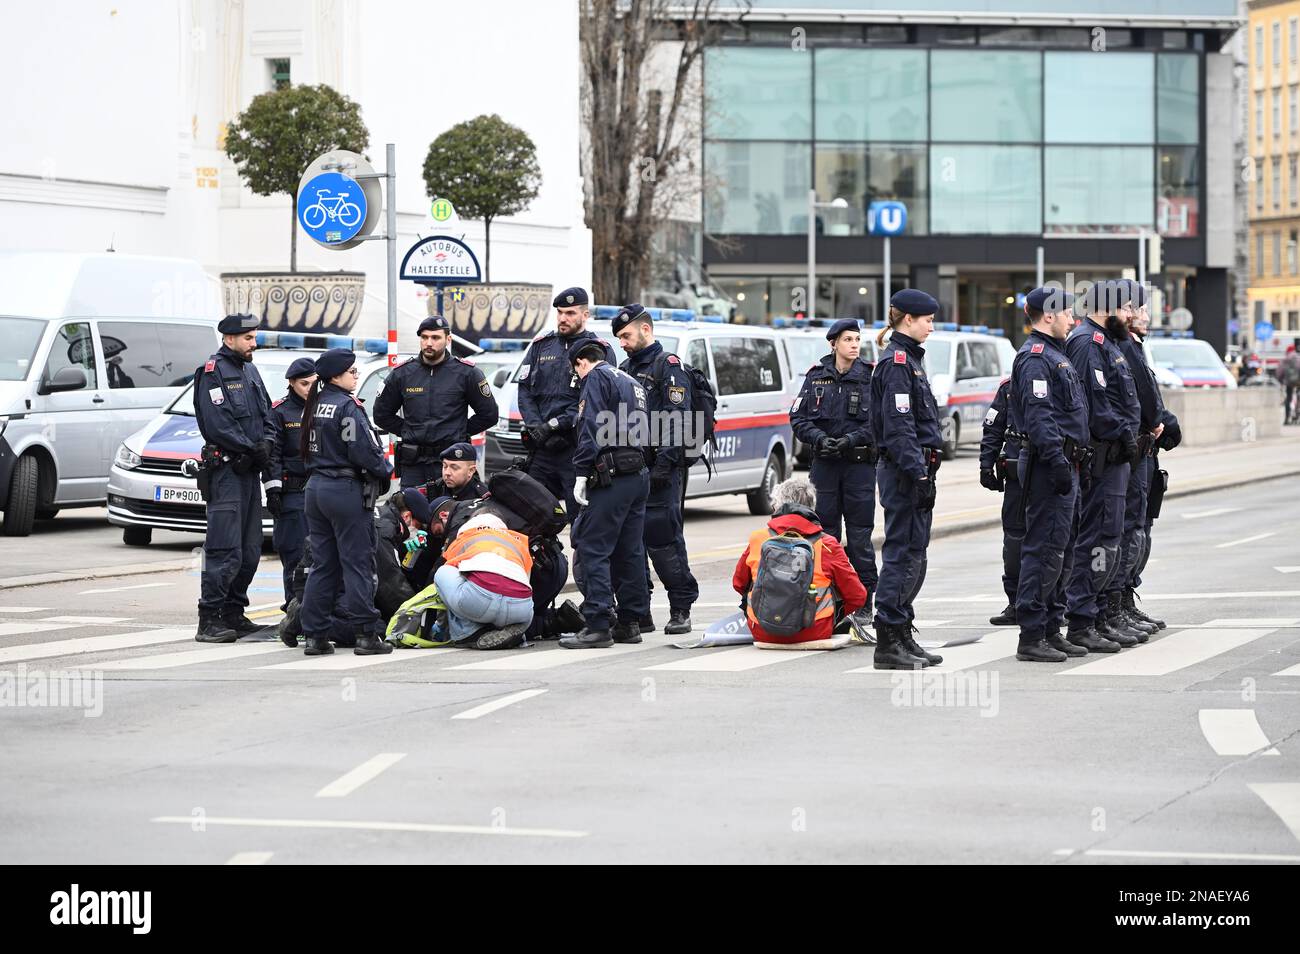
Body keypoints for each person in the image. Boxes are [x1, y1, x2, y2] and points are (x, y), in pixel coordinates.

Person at [1008, 288, 1093, 661]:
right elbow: (1041, 419)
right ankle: (1031, 634)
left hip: (1065, 462)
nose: (1073, 320)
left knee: (1063, 549)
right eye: (1067, 314)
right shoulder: (1035, 359)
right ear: (1048, 317)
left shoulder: (1057, 355)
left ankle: (1051, 627)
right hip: (1048, 464)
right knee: (1043, 550)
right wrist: (1058, 462)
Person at [1064, 280, 1144, 652]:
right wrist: (1122, 433)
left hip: (1117, 456)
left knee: (1110, 539)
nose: (1130, 315)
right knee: (1096, 540)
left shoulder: (1107, 343)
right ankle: (1083, 619)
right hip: (1102, 457)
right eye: (1126, 308)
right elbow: (1092, 405)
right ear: (1106, 309)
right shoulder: (1086, 343)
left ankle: (1098, 615)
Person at [298, 348, 395, 656]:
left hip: (316, 489)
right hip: (345, 490)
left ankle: (314, 635)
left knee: (323, 564)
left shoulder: (315, 405)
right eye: (352, 372)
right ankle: (366, 634)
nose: (355, 376)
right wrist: (386, 470)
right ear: (337, 376)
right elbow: (364, 451)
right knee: (357, 563)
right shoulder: (347, 407)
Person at [869, 289, 945, 669]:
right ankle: (888, 640)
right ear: (908, 320)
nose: (932, 326)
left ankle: (901, 630)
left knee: (915, 553)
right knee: (902, 553)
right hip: (903, 472)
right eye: (927, 320)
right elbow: (899, 428)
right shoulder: (897, 363)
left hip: (913, 469)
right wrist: (917, 472)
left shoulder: (910, 360)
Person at [559, 340, 651, 648]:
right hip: (637, 473)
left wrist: (581, 471)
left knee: (592, 546)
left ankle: (598, 624)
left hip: (610, 474)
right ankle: (631, 622)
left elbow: (592, 424)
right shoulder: (632, 381)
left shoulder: (596, 377)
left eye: (576, 372)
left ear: (582, 363)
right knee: (630, 549)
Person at [614, 303, 698, 636]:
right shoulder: (623, 369)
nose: (622, 342)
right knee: (630, 543)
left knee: (664, 542)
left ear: (645, 329)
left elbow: (678, 419)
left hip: (662, 470)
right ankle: (639, 611)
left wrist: (664, 464)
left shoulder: (669, 367)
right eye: (619, 337)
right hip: (630, 469)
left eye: (626, 335)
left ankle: (681, 608)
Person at [790, 317, 878, 632]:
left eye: (857, 339)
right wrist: (819, 439)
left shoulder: (870, 377)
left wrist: (850, 440)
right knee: (824, 536)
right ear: (834, 344)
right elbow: (798, 418)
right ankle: (827, 599)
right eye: (848, 340)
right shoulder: (815, 378)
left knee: (859, 539)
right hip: (824, 467)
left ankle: (864, 602)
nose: (854, 345)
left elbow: (877, 423)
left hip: (858, 468)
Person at [192, 313, 275, 643]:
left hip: (249, 470)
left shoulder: (250, 371)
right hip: (227, 472)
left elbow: (267, 413)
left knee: (249, 548)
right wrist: (249, 448)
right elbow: (218, 423)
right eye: (248, 339)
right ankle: (209, 617)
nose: (254, 343)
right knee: (224, 548)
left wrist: (266, 444)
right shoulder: (214, 374)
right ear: (229, 339)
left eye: (254, 337)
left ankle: (234, 613)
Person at [517, 287, 618, 520]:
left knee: (581, 519)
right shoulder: (542, 345)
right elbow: (524, 391)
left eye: (570, 313)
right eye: (560, 312)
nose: (563, 318)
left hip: (576, 448)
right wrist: (537, 427)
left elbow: (596, 400)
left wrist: (556, 425)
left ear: (585, 315)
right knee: (529, 515)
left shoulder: (597, 350)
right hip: (542, 448)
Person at [732, 478, 866, 650]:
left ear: (778, 507)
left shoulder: (758, 538)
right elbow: (857, 596)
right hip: (814, 630)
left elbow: (738, 583)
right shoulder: (826, 544)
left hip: (763, 631)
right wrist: (830, 615)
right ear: (812, 507)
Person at [373, 314, 497, 488]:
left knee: (453, 513)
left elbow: (489, 415)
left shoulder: (467, 373)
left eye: (435, 337)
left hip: (452, 462)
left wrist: (458, 432)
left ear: (448, 339)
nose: (429, 343)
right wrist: (410, 431)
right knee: (410, 512)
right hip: (414, 464)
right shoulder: (402, 374)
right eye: (424, 337)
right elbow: (381, 415)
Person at [1118, 287, 1181, 631]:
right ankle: (1115, 606)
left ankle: (1124, 601)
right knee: (1127, 530)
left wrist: (1165, 424)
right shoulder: (1122, 347)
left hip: (1143, 451)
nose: (1144, 316)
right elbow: (1144, 401)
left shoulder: (1134, 347)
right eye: (1137, 308)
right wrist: (1164, 423)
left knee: (1139, 528)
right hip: (1130, 452)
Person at [433, 513, 535, 650]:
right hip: (521, 609)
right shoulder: (519, 543)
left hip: (481, 601)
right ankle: (516, 630)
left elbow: (449, 575)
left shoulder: (464, 539)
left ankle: (469, 633)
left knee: (442, 573)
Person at [266, 356, 316, 610]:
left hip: (320, 491)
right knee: (295, 555)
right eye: (304, 384)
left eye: (314, 383)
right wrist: (273, 490)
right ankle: (294, 609)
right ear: (292, 383)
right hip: (293, 493)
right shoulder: (281, 411)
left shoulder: (326, 407)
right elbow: (272, 454)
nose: (310, 389)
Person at [978, 376, 1023, 627]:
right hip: (1017, 477)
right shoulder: (1009, 388)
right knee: (1015, 540)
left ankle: (1053, 602)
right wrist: (986, 466)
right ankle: (1016, 602)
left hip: (1054, 475)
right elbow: (993, 427)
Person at [1281, 344, 1300, 424]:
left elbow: (1280, 371)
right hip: (1298, 381)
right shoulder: (1298, 357)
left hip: (1288, 382)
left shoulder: (1285, 359)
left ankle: (1286, 418)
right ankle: (1296, 415)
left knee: (1288, 399)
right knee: (1298, 396)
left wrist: (1281, 380)